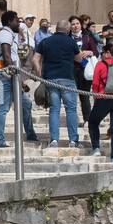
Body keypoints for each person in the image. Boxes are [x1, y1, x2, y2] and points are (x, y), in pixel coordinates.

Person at [0, 11, 39, 146]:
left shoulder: (10, 35)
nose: (19, 23)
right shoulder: (5, 34)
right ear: (9, 22)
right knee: (2, 107)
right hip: (4, 76)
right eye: (16, 21)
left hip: (11, 76)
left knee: (26, 104)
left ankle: (30, 134)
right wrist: (18, 79)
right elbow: (7, 57)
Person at [38, 19, 81, 148]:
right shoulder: (71, 42)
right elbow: (78, 59)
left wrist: (40, 74)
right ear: (68, 29)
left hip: (50, 79)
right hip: (67, 78)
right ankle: (73, 140)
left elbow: (35, 58)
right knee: (71, 110)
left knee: (54, 110)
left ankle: (54, 140)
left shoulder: (45, 41)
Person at [72, 16, 99, 125]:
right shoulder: (67, 37)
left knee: (85, 95)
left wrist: (88, 52)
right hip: (72, 69)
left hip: (85, 69)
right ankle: (73, 119)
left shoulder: (87, 37)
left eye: (77, 23)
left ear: (80, 25)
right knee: (71, 96)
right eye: (73, 24)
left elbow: (96, 52)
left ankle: (87, 118)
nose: (75, 26)